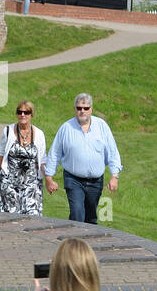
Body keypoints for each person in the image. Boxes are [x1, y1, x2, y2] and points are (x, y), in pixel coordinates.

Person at [43, 93, 122, 224]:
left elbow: (112, 151)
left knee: (91, 218)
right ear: (74, 109)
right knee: (77, 213)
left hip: (95, 182)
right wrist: (49, 178)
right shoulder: (66, 128)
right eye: (79, 108)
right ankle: (74, 242)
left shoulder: (101, 126)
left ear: (91, 109)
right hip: (73, 180)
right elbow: (55, 153)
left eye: (85, 108)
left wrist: (115, 176)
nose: (82, 111)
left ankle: (87, 243)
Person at [0, 101, 48, 214]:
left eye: (26, 112)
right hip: (9, 182)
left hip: (32, 184)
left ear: (31, 114)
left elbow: (42, 160)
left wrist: (48, 179)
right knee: (10, 216)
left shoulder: (39, 134)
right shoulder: (8, 131)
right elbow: (1, 154)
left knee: (33, 215)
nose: (23, 115)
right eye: (20, 112)